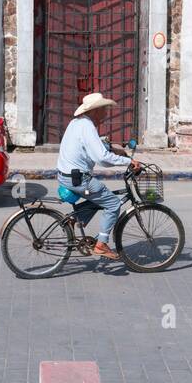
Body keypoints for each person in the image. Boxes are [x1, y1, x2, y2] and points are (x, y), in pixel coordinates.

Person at [56, 92, 139, 261]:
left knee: (99, 197)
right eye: (104, 109)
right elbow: (101, 158)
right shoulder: (87, 126)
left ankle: (73, 222)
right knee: (113, 203)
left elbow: (93, 148)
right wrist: (128, 161)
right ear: (95, 111)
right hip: (79, 180)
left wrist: (111, 148)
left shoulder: (77, 123)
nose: (106, 113)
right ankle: (101, 244)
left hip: (67, 176)